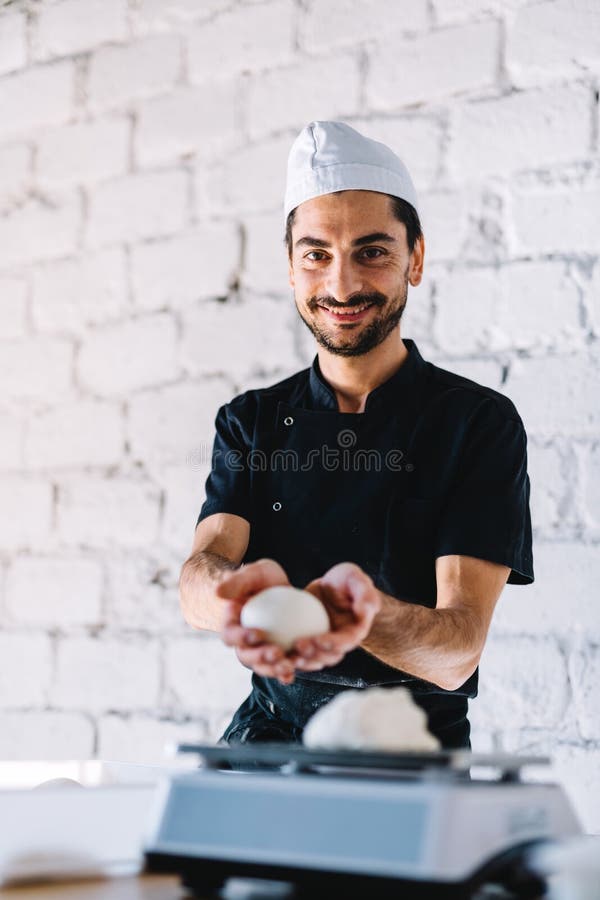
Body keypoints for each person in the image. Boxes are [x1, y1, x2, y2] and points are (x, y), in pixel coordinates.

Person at [179, 121, 534, 750]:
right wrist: (231, 593)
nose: (341, 286)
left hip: (411, 750)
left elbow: (457, 652)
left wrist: (359, 615)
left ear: (415, 259)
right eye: (316, 253)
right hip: (267, 742)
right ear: (291, 266)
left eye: (372, 251)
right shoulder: (251, 420)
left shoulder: (477, 423)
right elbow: (199, 578)